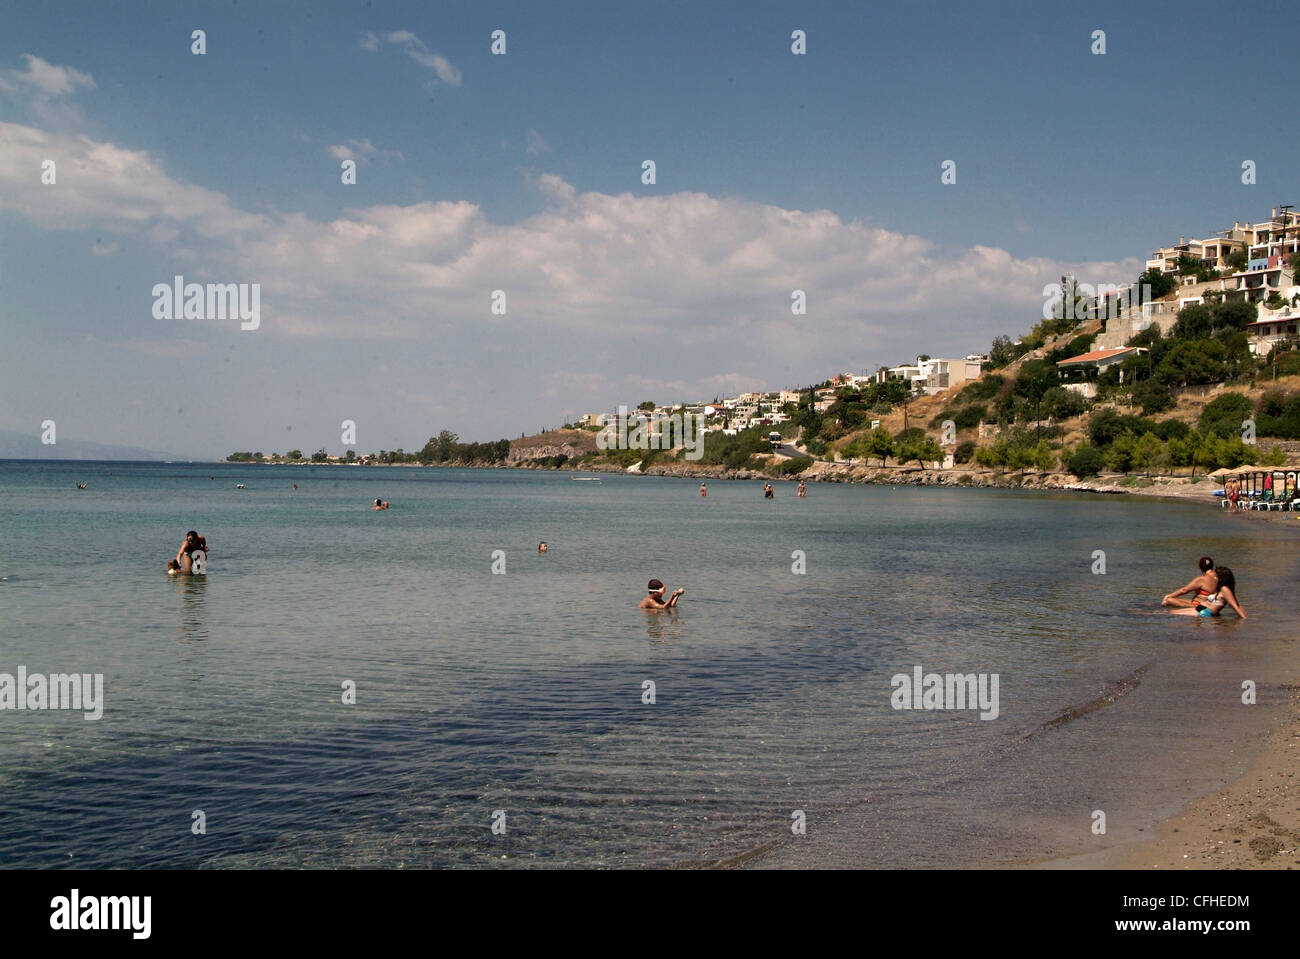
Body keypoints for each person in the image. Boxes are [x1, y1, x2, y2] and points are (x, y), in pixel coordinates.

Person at [1170, 566, 1246, 619]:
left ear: (1222, 577)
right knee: (1171, 612)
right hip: (1201, 608)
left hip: (1205, 612)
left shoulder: (1225, 589)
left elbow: (1235, 606)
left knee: (1169, 614)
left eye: (1216, 576)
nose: (1214, 578)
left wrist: (1244, 619)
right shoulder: (1221, 588)